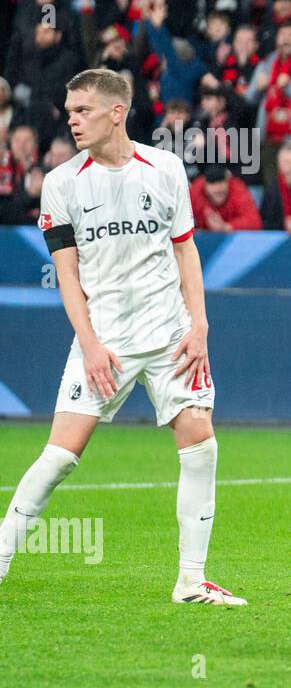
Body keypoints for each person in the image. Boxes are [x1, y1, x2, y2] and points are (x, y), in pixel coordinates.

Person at [0, 69, 242, 605]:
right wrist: (88, 343)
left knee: (200, 443)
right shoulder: (63, 182)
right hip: (104, 336)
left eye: (81, 111)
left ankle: (190, 580)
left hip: (170, 331)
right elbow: (66, 273)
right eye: (69, 112)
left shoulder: (166, 168)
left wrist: (199, 325)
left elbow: (185, 250)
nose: (71, 120)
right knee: (61, 456)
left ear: (116, 112)